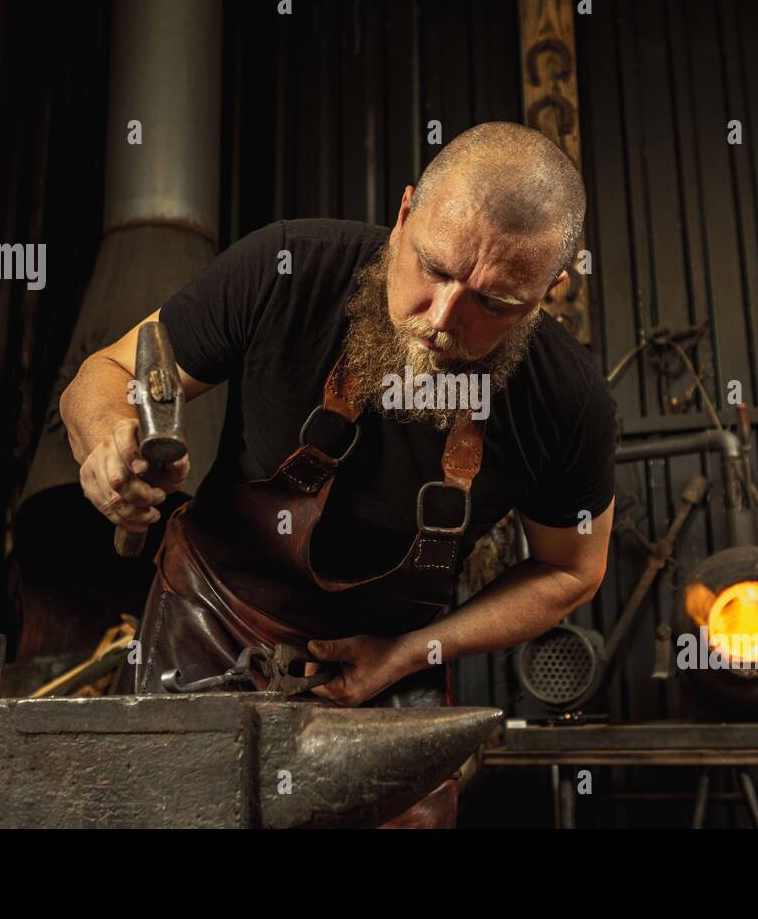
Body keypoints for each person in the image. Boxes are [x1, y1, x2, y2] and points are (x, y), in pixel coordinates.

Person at [59, 121, 618, 826]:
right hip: (209, 630)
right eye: (435, 269)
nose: (443, 318)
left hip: (387, 667)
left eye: (495, 303)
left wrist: (407, 654)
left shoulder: (568, 401)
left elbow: (573, 569)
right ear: (406, 213)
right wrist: (110, 440)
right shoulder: (287, 267)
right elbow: (108, 371)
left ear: (550, 291)